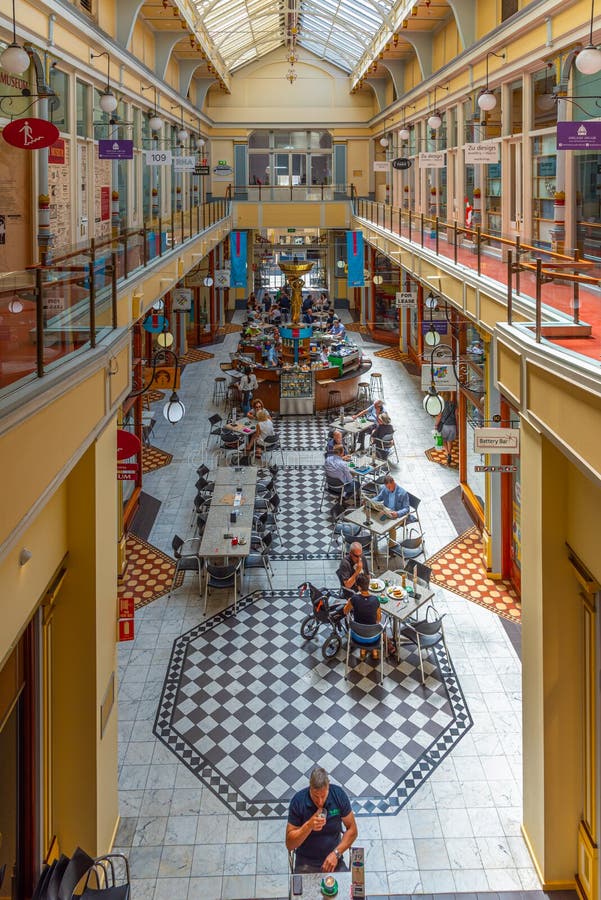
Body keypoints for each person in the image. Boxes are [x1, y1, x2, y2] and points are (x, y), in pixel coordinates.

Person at [286, 766, 358, 873]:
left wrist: (336, 853)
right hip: (305, 862)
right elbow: (290, 844)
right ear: (310, 788)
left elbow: (352, 830)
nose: (320, 802)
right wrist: (309, 825)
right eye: (315, 796)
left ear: (328, 786)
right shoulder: (298, 801)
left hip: (333, 858)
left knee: (346, 888)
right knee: (299, 889)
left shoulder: (338, 795)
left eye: (323, 796)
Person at [344, 572, 382, 660]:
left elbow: (345, 611)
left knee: (361, 627)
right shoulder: (375, 600)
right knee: (373, 627)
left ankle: (363, 650)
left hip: (357, 637)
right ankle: (374, 651)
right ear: (368, 585)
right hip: (373, 638)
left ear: (359, 587)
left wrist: (349, 602)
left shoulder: (354, 599)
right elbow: (379, 619)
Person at [435, 391, 457, 465]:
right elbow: (456, 416)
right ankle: (449, 453)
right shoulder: (453, 404)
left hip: (445, 426)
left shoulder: (442, 405)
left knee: (443, 441)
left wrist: (436, 425)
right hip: (453, 426)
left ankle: (448, 453)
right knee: (449, 441)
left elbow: (439, 416)